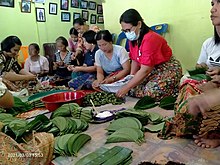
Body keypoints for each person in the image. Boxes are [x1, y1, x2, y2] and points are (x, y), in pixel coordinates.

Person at [159, 0, 220, 148]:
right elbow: (201, 66)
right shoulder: (209, 43)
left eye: (219, 3)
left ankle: (216, 133)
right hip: (212, 83)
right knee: (188, 86)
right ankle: (199, 127)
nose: (213, 9)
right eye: (212, 4)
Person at [116, 9, 182, 100]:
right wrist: (131, 77)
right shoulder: (133, 39)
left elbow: (145, 70)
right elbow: (134, 60)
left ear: (139, 24)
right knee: (132, 86)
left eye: (128, 30)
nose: (127, 33)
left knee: (150, 93)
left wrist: (127, 87)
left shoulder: (150, 38)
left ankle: (175, 88)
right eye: (124, 31)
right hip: (151, 69)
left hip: (166, 68)